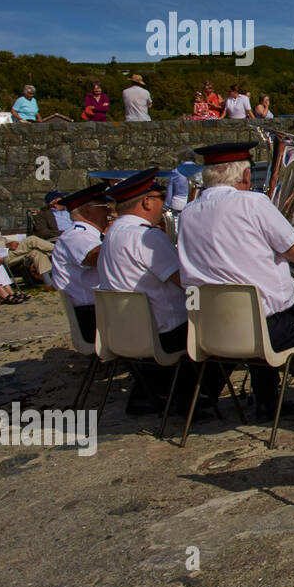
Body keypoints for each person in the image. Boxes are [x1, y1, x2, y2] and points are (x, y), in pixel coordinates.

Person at [178, 141, 294, 418]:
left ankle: (265, 399)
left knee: (261, 306)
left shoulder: (188, 212)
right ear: (246, 176)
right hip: (264, 331)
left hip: (212, 330)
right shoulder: (253, 203)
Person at [99, 168, 215, 416]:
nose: (164, 206)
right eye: (161, 198)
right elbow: (184, 280)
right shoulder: (145, 236)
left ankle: (153, 392)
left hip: (126, 330)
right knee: (225, 324)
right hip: (163, 333)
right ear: (146, 201)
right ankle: (195, 397)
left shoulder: (112, 235)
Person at [48, 182, 112, 341]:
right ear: (86, 211)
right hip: (92, 315)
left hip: (98, 310)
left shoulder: (89, 235)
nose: (109, 210)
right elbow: (93, 257)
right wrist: (123, 237)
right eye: (103, 205)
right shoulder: (76, 235)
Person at [166, 148, 195, 216]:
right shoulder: (200, 171)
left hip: (178, 202)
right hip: (195, 201)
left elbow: (169, 191)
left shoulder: (175, 171)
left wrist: (166, 205)